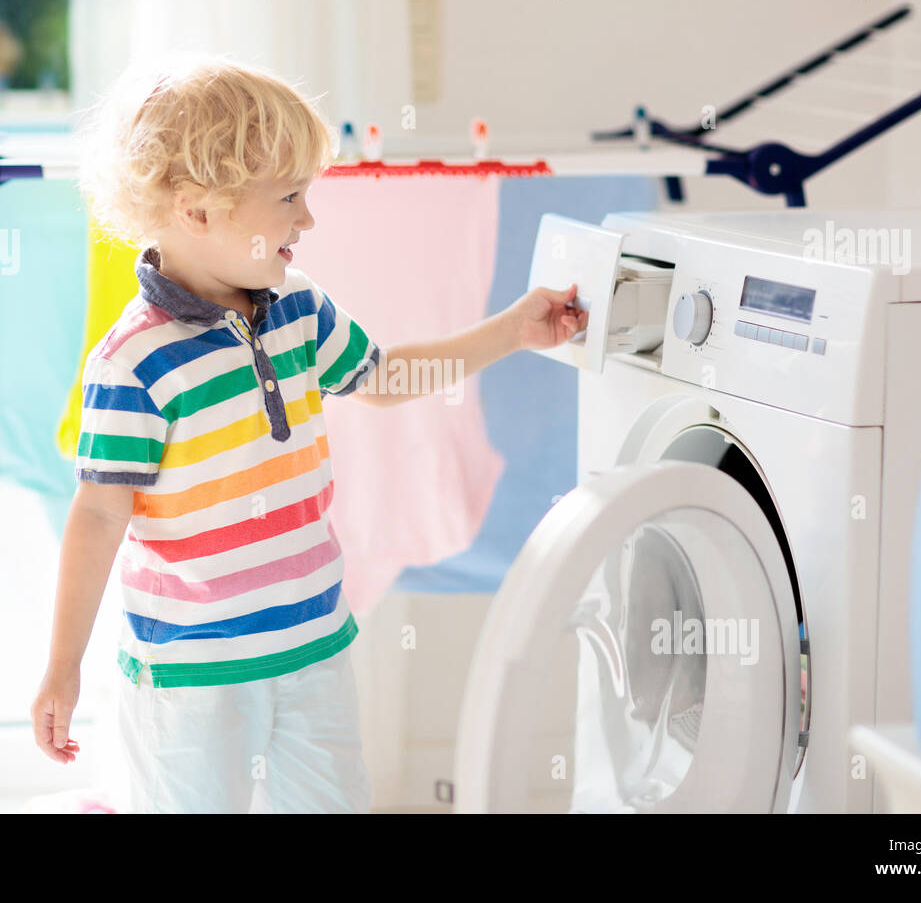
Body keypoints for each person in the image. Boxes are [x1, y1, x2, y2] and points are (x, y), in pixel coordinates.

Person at [30, 52, 588, 813]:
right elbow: (99, 515)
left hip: (312, 643)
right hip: (193, 674)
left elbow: (386, 376)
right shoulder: (134, 361)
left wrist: (512, 333)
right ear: (198, 210)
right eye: (289, 196)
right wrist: (64, 666)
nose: (309, 218)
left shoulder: (299, 307)